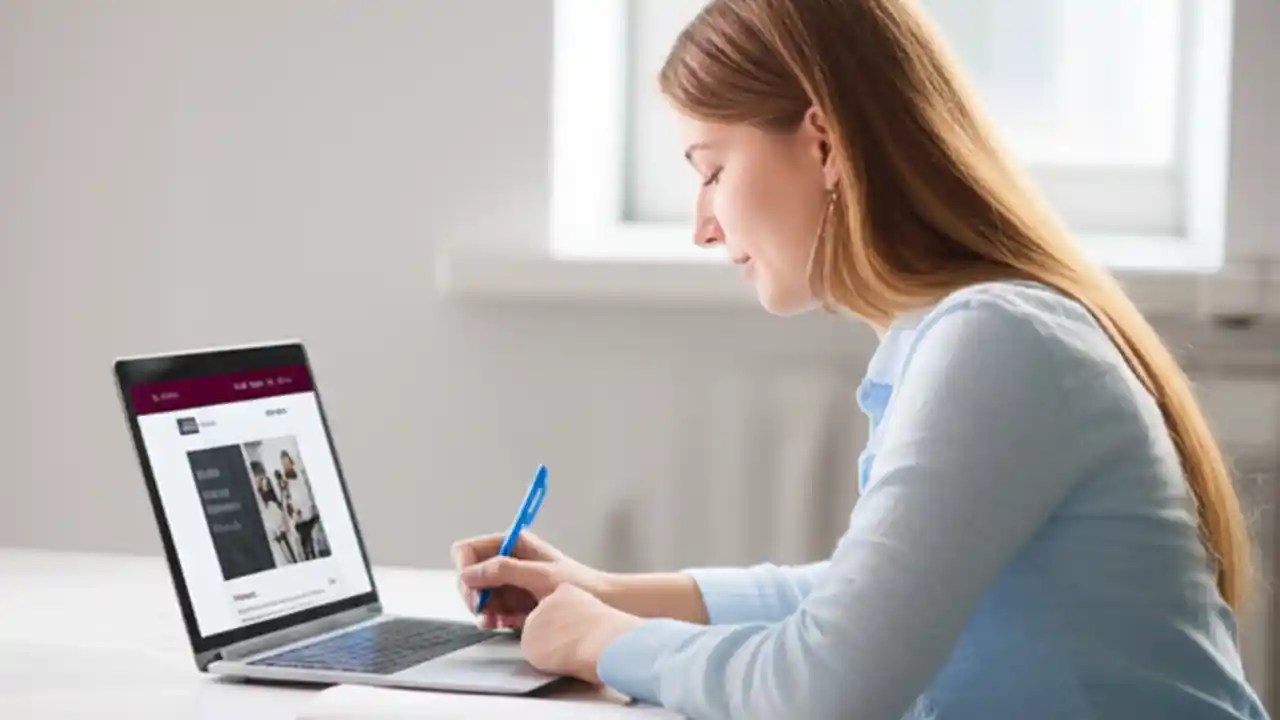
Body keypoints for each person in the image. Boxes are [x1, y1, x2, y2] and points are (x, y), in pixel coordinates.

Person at [453, 1, 1268, 718]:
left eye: (713, 170)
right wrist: (609, 596)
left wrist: (610, 643)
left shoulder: (997, 343)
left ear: (823, 143)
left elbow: (826, 686)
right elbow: (866, 600)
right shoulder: (950, 336)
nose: (702, 226)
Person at [252, 462, 296, 565]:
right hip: (273, 509)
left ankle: (292, 558)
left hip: (275, 508)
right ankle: (290, 557)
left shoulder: (265, 480)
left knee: (285, 535)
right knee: (283, 536)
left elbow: (270, 494)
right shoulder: (261, 481)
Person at [281, 450, 321, 560]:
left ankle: (314, 554)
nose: (286, 464)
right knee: (304, 538)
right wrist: (292, 510)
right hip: (297, 511)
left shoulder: (298, 472)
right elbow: (287, 497)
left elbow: (304, 489)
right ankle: (308, 556)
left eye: (287, 461)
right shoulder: (284, 479)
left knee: (310, 536)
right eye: (284, 463)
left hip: (305, 506)